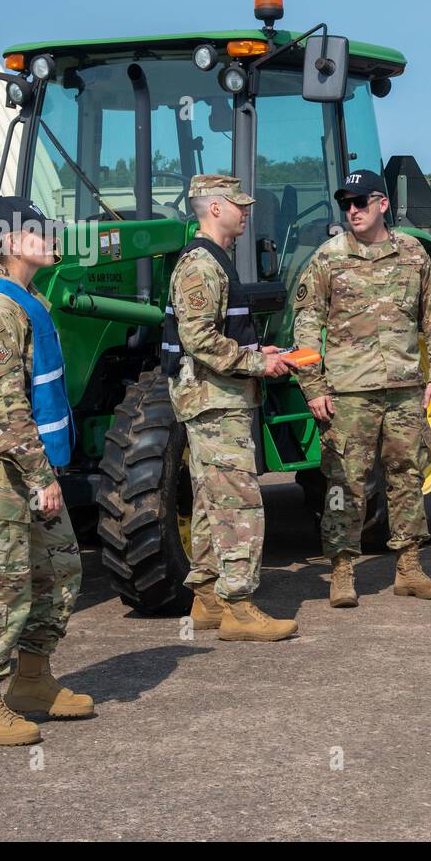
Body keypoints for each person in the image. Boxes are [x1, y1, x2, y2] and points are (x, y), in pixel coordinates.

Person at [0, 197, 90, 745]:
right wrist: (40, 476)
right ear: (9, 243)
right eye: (41, 231)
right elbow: (2, 406)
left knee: (58, 569)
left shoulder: (27, 298)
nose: (53, 237)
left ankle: (32, 680)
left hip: (22, 466)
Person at [292, 169, 431, 607]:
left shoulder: (413, 254)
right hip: (348, 391)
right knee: (346, 481)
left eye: (361, 202)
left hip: (403, 387)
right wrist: (313, 387)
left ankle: (409, 568)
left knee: (408, 474)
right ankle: (342, 571)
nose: (353, 211)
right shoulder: (329, 258)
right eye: (346, 203)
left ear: (382, 204)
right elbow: (306, 327)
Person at [162, 174, 297, 642]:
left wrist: (264, 353)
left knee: (210, 498)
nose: (246, 212)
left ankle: (206, 597)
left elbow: (218, 332)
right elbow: (198, 338)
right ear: (215, 208)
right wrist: (260, 363)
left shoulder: (212, 261)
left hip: (216, 395)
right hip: (214, 399)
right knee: (238, 498)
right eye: (238, 205)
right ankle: (238, 605)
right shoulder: (201, 265)